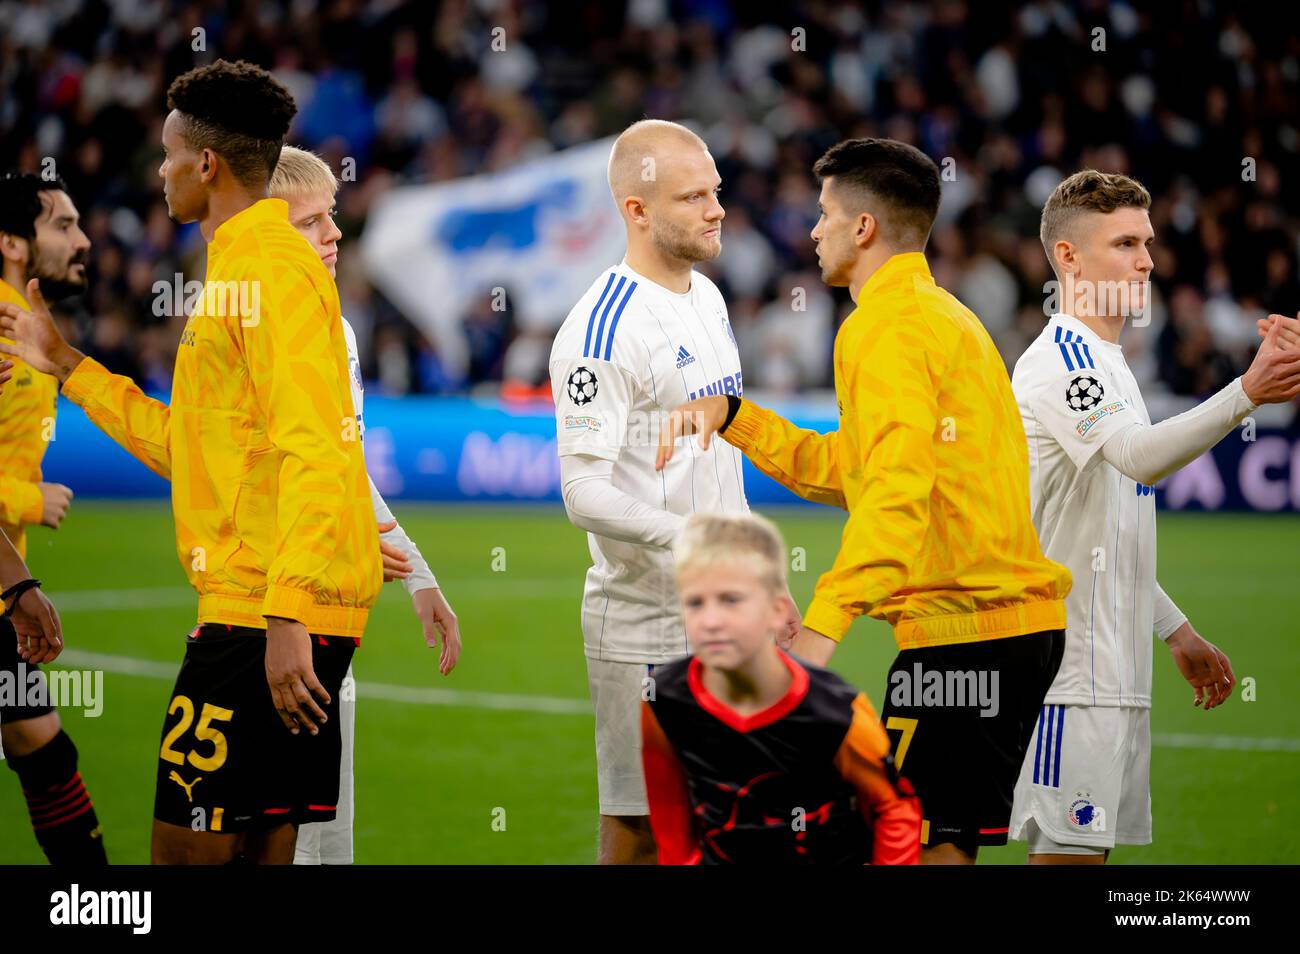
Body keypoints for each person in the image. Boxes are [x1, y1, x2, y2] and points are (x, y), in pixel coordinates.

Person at [0, 59, 380, 864]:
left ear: (206, 164)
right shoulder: (243, 266)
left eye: (169, 155)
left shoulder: (269, 270)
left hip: (258, 617)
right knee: (256, 855)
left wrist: (285, 617)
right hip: (269, 608)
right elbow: (195, 451)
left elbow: (317, 445)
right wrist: (67, 362)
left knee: (181, 857)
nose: (160, 171)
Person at [657, 138, 1071, 864]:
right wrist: (737, 418)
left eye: (824, 214)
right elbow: (858, 467)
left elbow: (894, 492)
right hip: (1002, 627)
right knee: (934, 844)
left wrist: (823, 626)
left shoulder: (884, 327)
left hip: (966, 633)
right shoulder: (944, 317)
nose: (813, 230)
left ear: (863, 227)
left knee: (899, 847)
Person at [1007, 170, 1300, 863]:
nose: (1146, 260)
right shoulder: (1063, 359)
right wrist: (1246, 393)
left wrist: (1175, 630)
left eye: (1147, 242)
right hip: (1066, 677)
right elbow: (1140, 458)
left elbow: (1106, 530)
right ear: (1069, 259)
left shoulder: (1110, 362)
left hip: (1111, 674)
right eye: (1125, 243)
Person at [550, 119, 798, 865]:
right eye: (694, 197)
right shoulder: (600, 330)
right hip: (647, 621)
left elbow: (717, 469)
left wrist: (761, 580)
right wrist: (693, 542)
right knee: (641, 829)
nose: (717, 208)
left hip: (729, 609)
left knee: (737, 822)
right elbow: (582, 491)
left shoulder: (709, 300)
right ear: (637, 211)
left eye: (715, 191)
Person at [268, 145, 462, 866]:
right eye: (312, 221)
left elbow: (344, 468)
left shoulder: (336, 328)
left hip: (331, 616)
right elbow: (250, 478)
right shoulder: (242, 327)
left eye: (333, 218)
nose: (334, 234)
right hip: (265, 617)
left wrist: (418, 573)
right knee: (274, 843)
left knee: (328, 842)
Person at [642, 511, 921, 864]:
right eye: (695, 602)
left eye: (731, 600)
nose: (711, 620)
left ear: (777, 611)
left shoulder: (834, 710)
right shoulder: (665, 698)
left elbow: (893, 810)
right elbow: (670, 811)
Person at [0, 171, 105, 864]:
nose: (84, 239)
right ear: (11, 241)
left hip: (4, 588)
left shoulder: (23, 329)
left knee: (41, 746)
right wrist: (27, 501)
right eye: (62, 225)